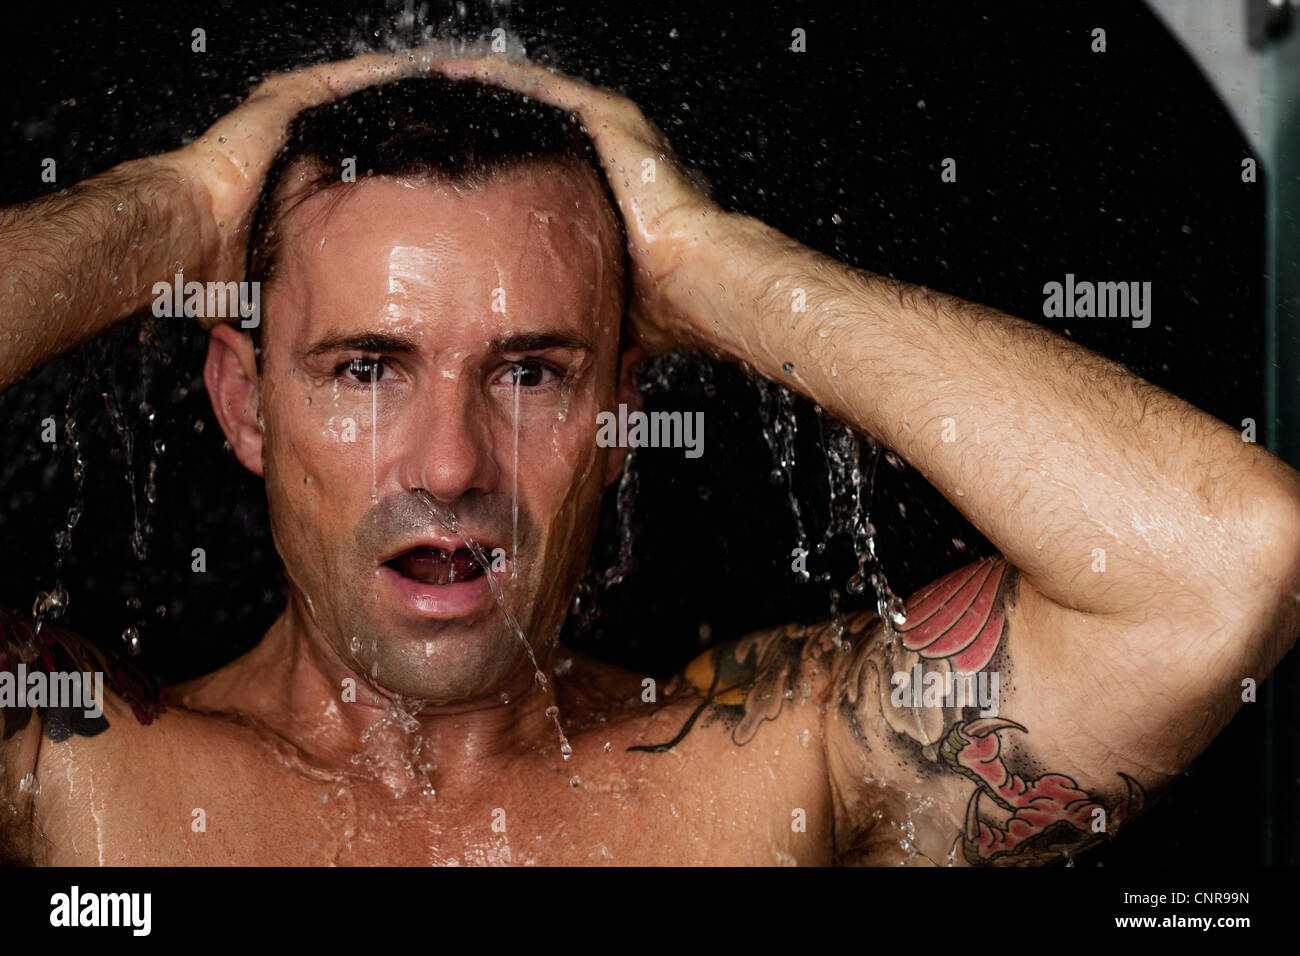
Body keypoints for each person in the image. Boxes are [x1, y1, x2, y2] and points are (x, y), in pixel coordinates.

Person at [1, 48, 1297, 866]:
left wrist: (710, 265)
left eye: (531, 373)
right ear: (243, 402)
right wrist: (177, 209)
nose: (449, 464)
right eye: (365, 370)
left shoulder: (762, 777)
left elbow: (1229, 566)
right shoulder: (72, 771)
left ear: (624, 411)